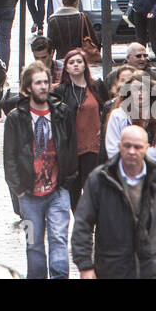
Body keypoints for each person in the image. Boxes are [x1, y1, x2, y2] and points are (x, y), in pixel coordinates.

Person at [71, 124, 156, 279]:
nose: (132, 151)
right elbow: (83, 222)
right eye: (127, 146)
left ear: (147, 148)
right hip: (112, 268)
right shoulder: (100, 179)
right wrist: (84, 265)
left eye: (137, 147)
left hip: (153, 268)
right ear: (119, 146)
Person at [3, 62, 76, 279]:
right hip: (29, 192)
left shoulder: (62, 113)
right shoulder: (16, 118)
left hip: (58, 190)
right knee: (33, 244)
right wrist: (18, 188)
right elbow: (10, 157)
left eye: (46, 82)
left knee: (59, 238)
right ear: (27, 88)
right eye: (38, 83)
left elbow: (71, 147)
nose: (43, 87)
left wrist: (68, 180)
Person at [56, 49, 107, 208]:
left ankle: (92, 222)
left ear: (85, 65)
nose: (76, 65)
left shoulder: (96, 86)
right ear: (66, 68)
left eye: (79, 62)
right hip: (71, 147)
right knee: (73, 190)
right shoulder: (60, 90)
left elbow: (108, 109)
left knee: (93, 187)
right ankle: (80, 224)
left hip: (93, 146)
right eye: (71, 63)